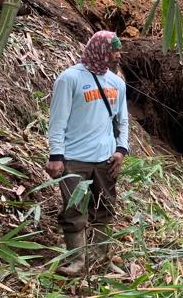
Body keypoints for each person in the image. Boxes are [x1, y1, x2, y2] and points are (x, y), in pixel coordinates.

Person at [47, 31, 129, 277]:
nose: (118, 55)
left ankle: (100, 258)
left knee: (105, 207)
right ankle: (77, 261)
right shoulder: (70, 79)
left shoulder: (117, 83)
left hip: (105, 159)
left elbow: (122, 120)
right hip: (74, 158)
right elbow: (57, 120)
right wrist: (56, 155)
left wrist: (121, 150)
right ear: (100, 50)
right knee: (74, 209)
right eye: (114, 50)